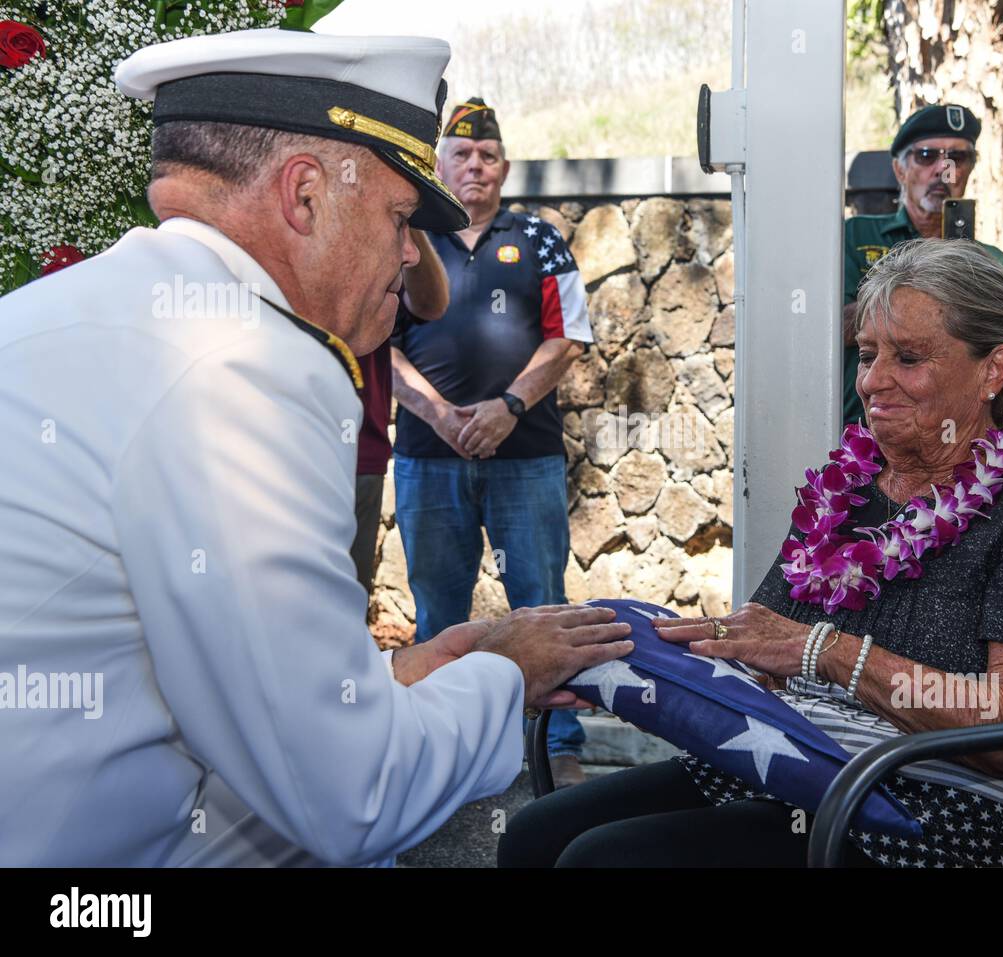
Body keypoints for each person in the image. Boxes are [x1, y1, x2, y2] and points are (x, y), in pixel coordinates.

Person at [0, 28, 633, 867]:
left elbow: (203, 689)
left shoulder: (54, 312)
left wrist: (414, 671)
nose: (411, 255)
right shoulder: (245, 365)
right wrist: (507, 672)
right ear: (304, 196)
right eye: (401, 217)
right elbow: (351, 794)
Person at [498, 239, 1003, 868]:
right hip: (806, 761)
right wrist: (625, 663)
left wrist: (831, 655)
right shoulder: (853, 486)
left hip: (956, 801)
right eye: (866, 355)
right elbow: (759, 652)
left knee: (607, 860)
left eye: (908, 358)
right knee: (538, 834)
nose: (873, 382)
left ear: (993, 370)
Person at [391, 97, 594, 787]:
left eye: (487, 155)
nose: (474, 164)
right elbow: (380, 347)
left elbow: (567, 338)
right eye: (461, 153)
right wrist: (441, 413)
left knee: (542, 602)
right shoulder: (408, 239)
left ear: (504, 166)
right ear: (437, 164)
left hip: (525, 456)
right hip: (428, 459)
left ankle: (558, 746)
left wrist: (509, 406)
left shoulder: (539, 238)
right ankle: (431, 744)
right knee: (438, 606)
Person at [840, 103, 1003, 426]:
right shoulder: (851, 237)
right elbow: (830, 327)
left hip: (962, 449)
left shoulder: (993, 263)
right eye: (926, 156)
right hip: (865, 440)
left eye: (957, 158)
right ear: (899, 170)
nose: (943, 169)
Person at [352, 232, 448, 594]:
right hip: (284, 451)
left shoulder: (391, 242)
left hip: (361, 453)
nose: (409, 255)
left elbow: (431, 304)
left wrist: (410, 221)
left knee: (346, 606)